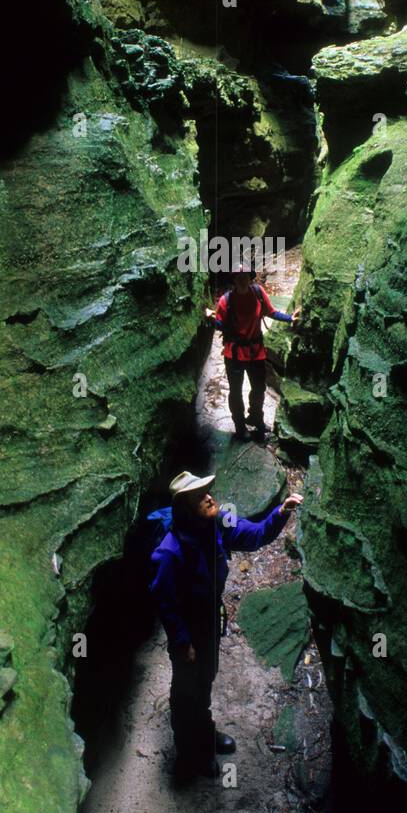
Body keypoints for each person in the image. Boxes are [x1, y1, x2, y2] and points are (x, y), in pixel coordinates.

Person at [149, 470, 303, 785]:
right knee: (185, 688)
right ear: (186, 509)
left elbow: (253, 534)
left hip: (208, 621)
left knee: (204, 679)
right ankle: (189, 751)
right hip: (188, 631)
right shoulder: (169, 552)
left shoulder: (219, 523)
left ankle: (204, 733)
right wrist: (182, 641)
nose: (209, 497)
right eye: (199, 496)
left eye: (207, 491)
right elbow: (165, 600)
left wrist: (280, 513)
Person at [205, 264, 301, 442]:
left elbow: (271, 312)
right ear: (234, 280)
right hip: (234, 354)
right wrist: (211, 318)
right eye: (238, 278)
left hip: (255, 352)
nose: (242, 281)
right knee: (235, 391)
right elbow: (221, 325)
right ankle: (240, 427)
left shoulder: (258, 294)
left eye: (245, 277)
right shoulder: (226, 301)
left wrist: (289, 319)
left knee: (258, 388)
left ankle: (255, 418)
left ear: (250, 278)